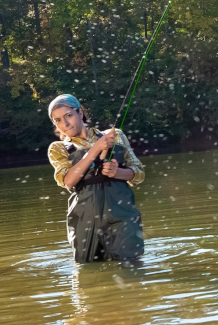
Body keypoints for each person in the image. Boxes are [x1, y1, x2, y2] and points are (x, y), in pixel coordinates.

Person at [46, 94, 146, 263]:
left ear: (80, 112)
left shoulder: (116, 136)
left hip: (122, 215)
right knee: (88, 274)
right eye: (58, 120)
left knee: (131, 268)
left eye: (68, 115)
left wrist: (118, 172)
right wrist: (96, 149)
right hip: (85, 220)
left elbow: (139, 174)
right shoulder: (57, 148)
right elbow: (68, 181)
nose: (65, 124)